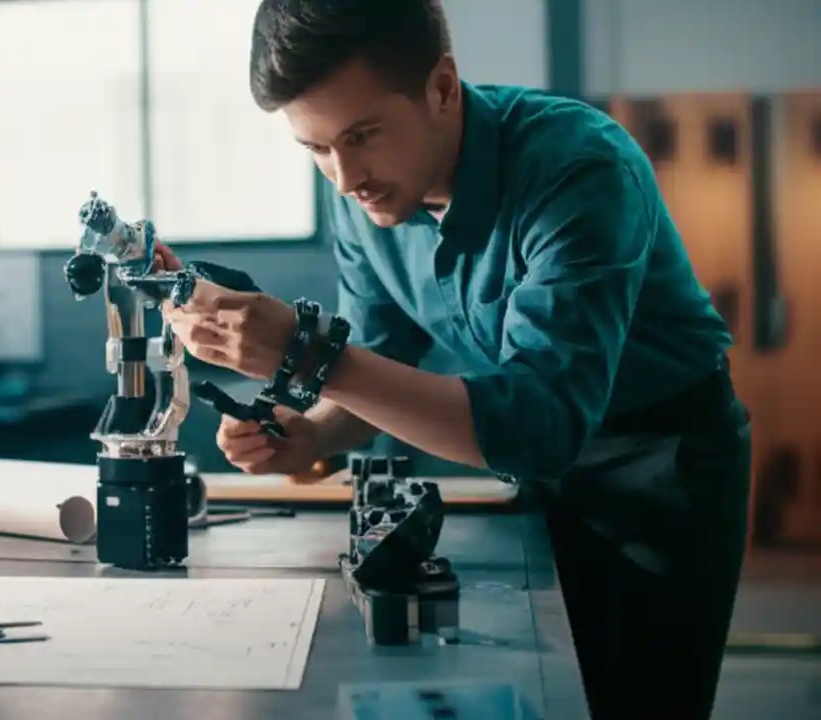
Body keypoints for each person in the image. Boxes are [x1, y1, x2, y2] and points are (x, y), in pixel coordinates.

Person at [157, 1, 750, 718]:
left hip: (660, 463)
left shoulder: (580, 169)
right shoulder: (364, 197)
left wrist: (306, 351)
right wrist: (312, 432)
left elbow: (539, 427)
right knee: (550, 691)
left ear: (441, 86)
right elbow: (379, 359)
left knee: (637, 700)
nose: (345, 179)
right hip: (526, 463)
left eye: (362, 135)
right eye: (316, 149)